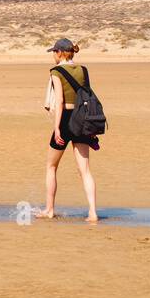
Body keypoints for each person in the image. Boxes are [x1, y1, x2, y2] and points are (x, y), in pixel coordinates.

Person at [39, 38, 99, 224]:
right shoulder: (83, 70)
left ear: (59, 53)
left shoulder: (56, 71)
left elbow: (60, 102)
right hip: (83, 120)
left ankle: (49, 209)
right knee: (85, 171)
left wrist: (57, 127)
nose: (53, 56)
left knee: (51, 166)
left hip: (66, 119)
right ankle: (93, 212)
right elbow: (88, 96)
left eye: (53, 52)